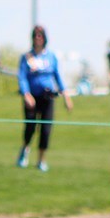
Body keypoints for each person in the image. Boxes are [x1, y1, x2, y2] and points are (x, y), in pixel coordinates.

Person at [16, 25, 73, 172]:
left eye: (40, 35)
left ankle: (41, 160)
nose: (38, 38)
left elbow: (58, 76)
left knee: (45, 130)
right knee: (30, 127)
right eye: (36, 35)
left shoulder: (51, 56)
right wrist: (26, 94)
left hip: (47, 97)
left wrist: (66, 96)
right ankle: (24, 151)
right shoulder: (27, 57)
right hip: (32, 97)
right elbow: (22, 77)